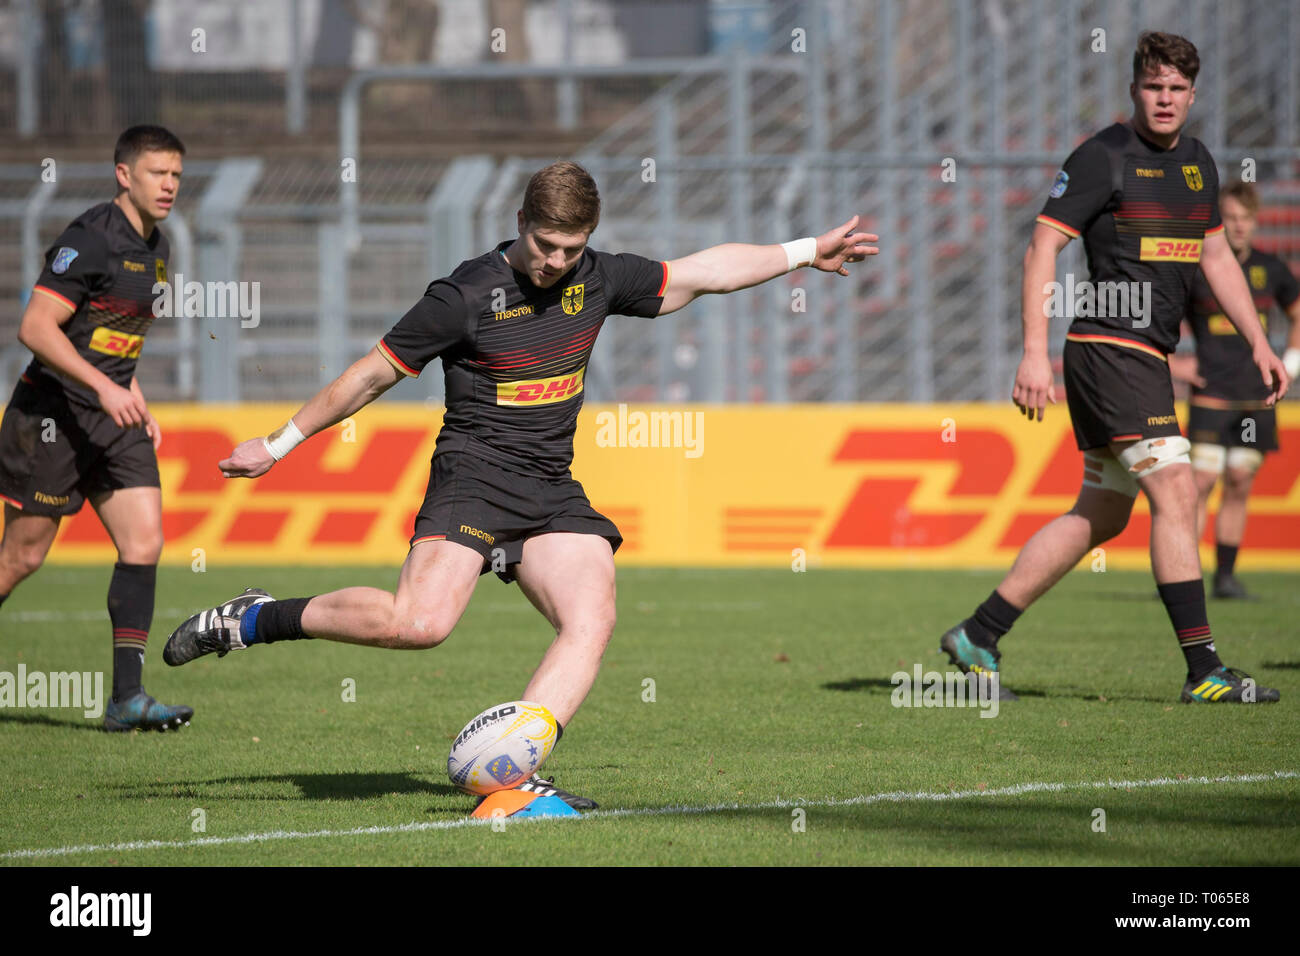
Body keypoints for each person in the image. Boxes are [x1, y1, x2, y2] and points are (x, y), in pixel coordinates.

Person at [163, 161, 878, 806]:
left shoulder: (598, 276)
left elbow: (702, 272)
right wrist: (282, 442)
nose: (556, 262)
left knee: (591, 619)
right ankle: (255, 618)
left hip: (550, 489)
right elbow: (371, 374)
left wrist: (804, 252)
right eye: (545, 246)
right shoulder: (464, 296)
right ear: (520, 226)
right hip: (473, 479)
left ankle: (513, 780)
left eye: (571, 248)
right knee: (420, 624)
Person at [939, 32, 1288, 704]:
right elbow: (1042, 248)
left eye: (1177, 89)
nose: (1165, 99)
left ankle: (978, 634)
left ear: (1192, 94)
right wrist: (1033, 351)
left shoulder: (1198, 163)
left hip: (1145, 356)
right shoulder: (1102, 156)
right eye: (1154, 86)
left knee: (1101, 512)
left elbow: (1216, 260)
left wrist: (1260, 343)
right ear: (1135, 89)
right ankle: (1205, 669)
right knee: (1178, 492)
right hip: (1109, 347)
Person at [0, 125, 193, 731]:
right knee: (21, 558)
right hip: (53, 419)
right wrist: (106, 387)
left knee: (144, 542)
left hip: (113, 419)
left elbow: (112, 341)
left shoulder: (157, 247)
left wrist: (131, 394)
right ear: (124, 174)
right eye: (157, 173)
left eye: (176, 175)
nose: (169, 185)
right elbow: (36, 327)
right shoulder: (89, 239)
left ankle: (127, 699)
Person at [1172, 182, 1300, 599]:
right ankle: (1182, 573)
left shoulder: (1271, 269)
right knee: (1202, 480)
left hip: (1255, 396)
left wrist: (1292, 365)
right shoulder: (1197, 269)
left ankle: (1225, 577)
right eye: (1230, 219)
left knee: (1240, 479)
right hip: (1211, 393)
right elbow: (1158, 316)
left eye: (1246, 219)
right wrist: (1175, 363)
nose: (1238, 227)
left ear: (1256, 221)